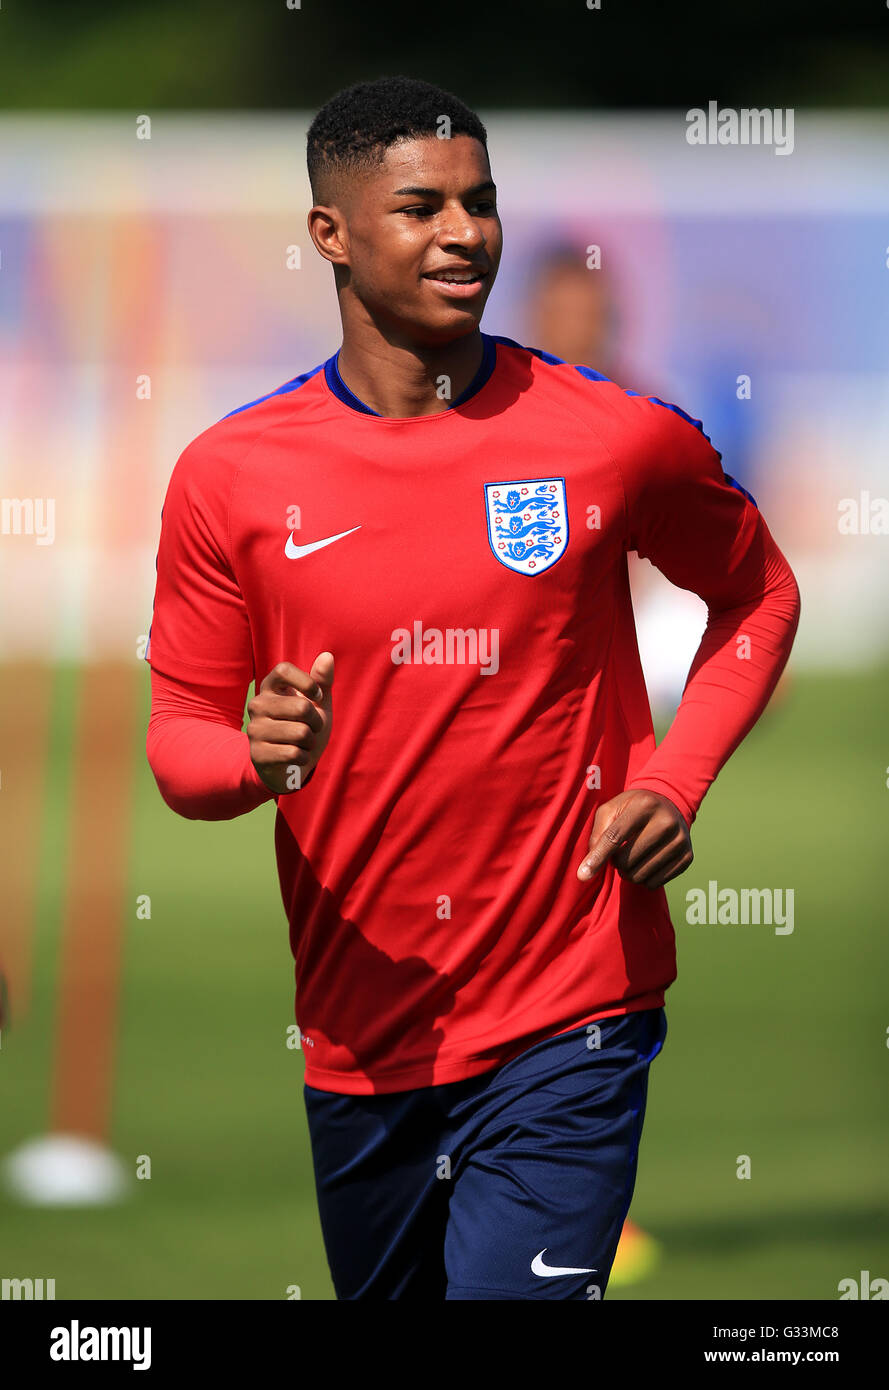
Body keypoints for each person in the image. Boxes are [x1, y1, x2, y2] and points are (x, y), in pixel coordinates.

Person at [145, 76, 801, 1301]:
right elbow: (181, 743)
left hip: (575, 1003)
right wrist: (257, 758)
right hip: (360, 1035)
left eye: (480, 202)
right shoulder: (228, 476)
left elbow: (758, 595)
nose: (464, 234)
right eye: (420, 208)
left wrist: (674, 780)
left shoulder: (614, 434)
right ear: (331, 233)